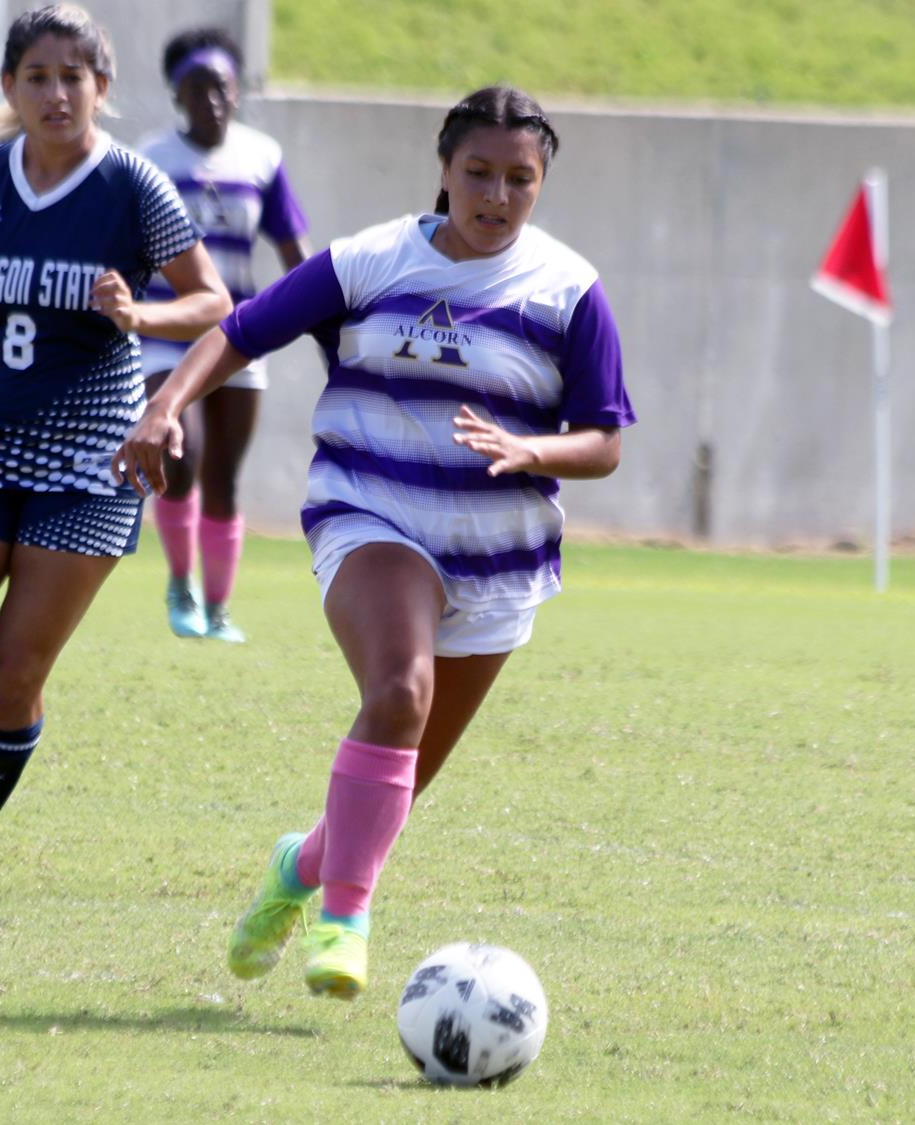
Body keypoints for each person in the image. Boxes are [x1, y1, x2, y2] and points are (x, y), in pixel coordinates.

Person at [119, 86, 635, 998]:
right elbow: (237, 329)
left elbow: (604, 441)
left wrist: (532, 449)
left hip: (497, 560)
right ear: (444, 169)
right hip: (372, 514)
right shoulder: (371, 259)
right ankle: (345, 918)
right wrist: (164, 406)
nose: (497, 195)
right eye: (478, 172)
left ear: (542, 183)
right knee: (398, 694)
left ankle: (299, 866)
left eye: (521, 178)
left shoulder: (570, 290)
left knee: (395, 783)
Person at [0, 5, 229, 888]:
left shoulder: (133, 186)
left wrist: (144, 314)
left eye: (73, 78)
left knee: (15, 669)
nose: (57, 94)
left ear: (102, 87)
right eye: (37, 78)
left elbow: (211, 302)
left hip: (91, 460)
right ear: (9, 88)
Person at [134, 28, 313, 643]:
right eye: (196, 87)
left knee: (226, 476)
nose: (211, 99)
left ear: (238, 93)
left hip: (241, 334)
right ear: (176, 94)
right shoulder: (151, 158)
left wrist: (323, 316)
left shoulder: (261, 157)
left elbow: (295, 249)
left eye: (222, 86)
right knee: (183, 457)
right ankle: (180, 587)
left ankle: (219, 609)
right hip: (168, 331)